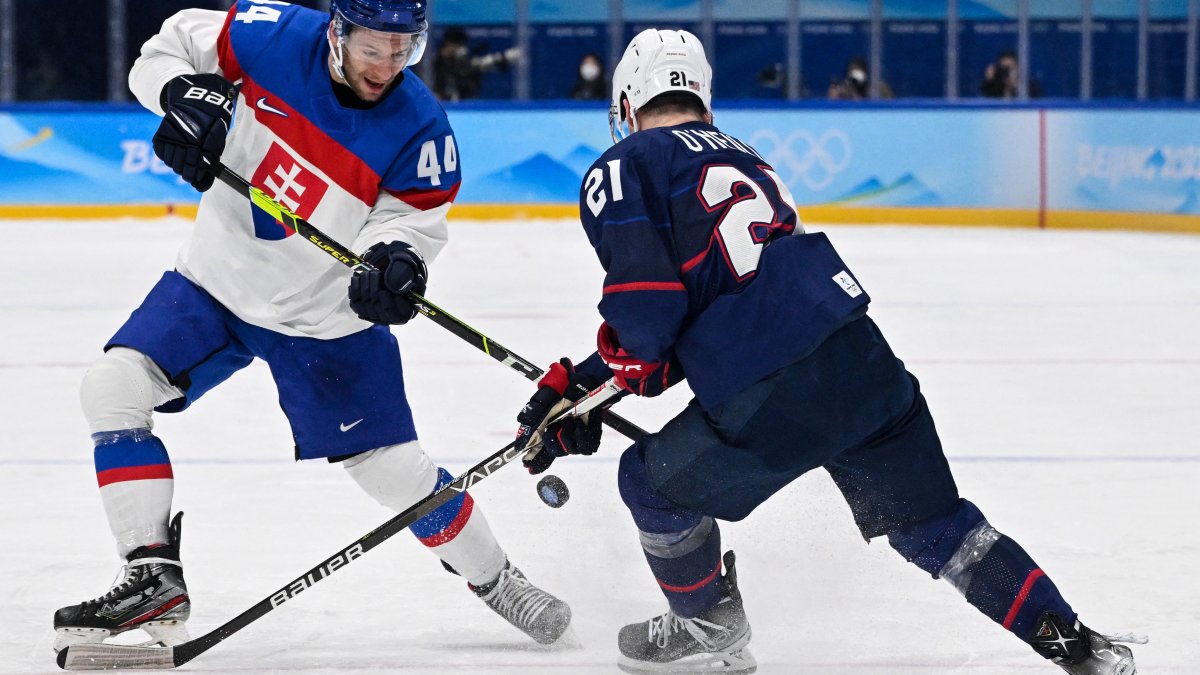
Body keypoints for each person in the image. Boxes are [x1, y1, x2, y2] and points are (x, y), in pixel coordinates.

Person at [512, 28, 1140, 675]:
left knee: (648, 483)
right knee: (936, 527)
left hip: (770, 382)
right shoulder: (747, 158)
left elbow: (649, 321)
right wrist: (586, 384)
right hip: (858, 358)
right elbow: (717, 305)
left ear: (625, 103)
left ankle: (707, 627)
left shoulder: (624, 164)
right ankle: (1075, 643)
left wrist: (590, 392)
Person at [52, 0, 570, 654]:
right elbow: (160, 53)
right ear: (337, 32)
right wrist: (179, 93)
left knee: (396, 475)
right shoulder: (267, 35)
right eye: (372, 48)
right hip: (214, 282)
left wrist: (395, 260)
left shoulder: (421, 128)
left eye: (402, 49)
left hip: (322, 319)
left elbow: (411, 222)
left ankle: (497, 579)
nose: (386, 66)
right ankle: (151, 573)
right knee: (112, 387)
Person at [432, 26, 519, 102]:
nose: (454, 50)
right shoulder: (436, 63)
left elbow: (486, 63)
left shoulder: (468, 63)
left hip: (467, 104)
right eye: (451, 45)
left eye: (458, 46)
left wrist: (504, 57)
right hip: (443, 103)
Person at [827, 55, 892, 100]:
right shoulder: (844, 93)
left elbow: (890, 109)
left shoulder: (879, 89)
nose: (856, 81)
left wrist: (857, 95)